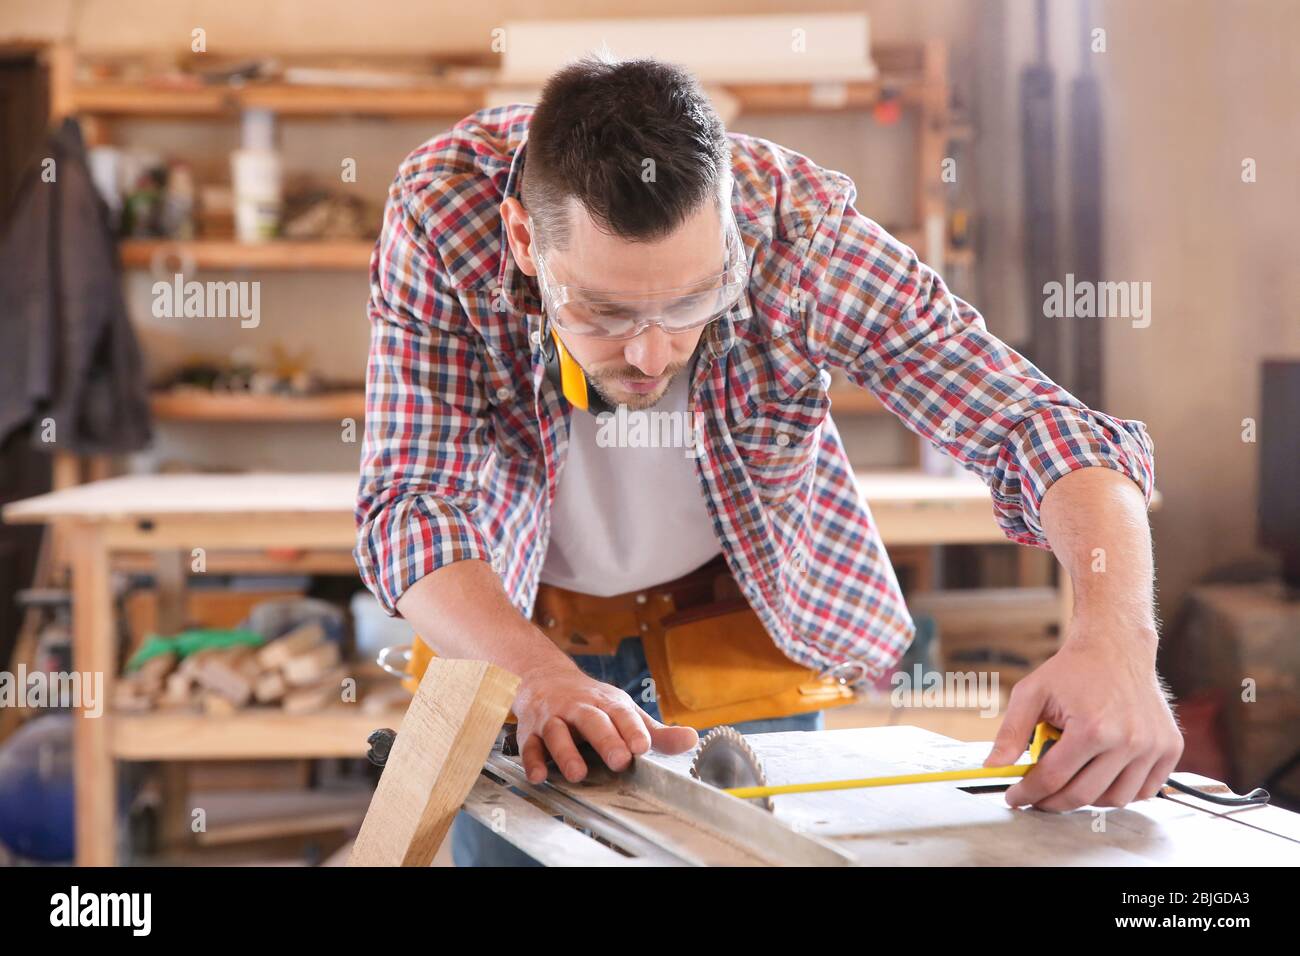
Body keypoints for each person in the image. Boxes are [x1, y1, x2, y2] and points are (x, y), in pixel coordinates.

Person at [354, 54, 1182, 865]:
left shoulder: (798, 232)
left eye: (691, 303)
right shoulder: (444, 213)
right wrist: (537, 674)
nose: (650, 356)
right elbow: (411, 507)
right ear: (525, 240)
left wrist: (1117, 641)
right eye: (604, 311)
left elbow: (1040, 427)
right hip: (510, 632)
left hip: (740, 629)